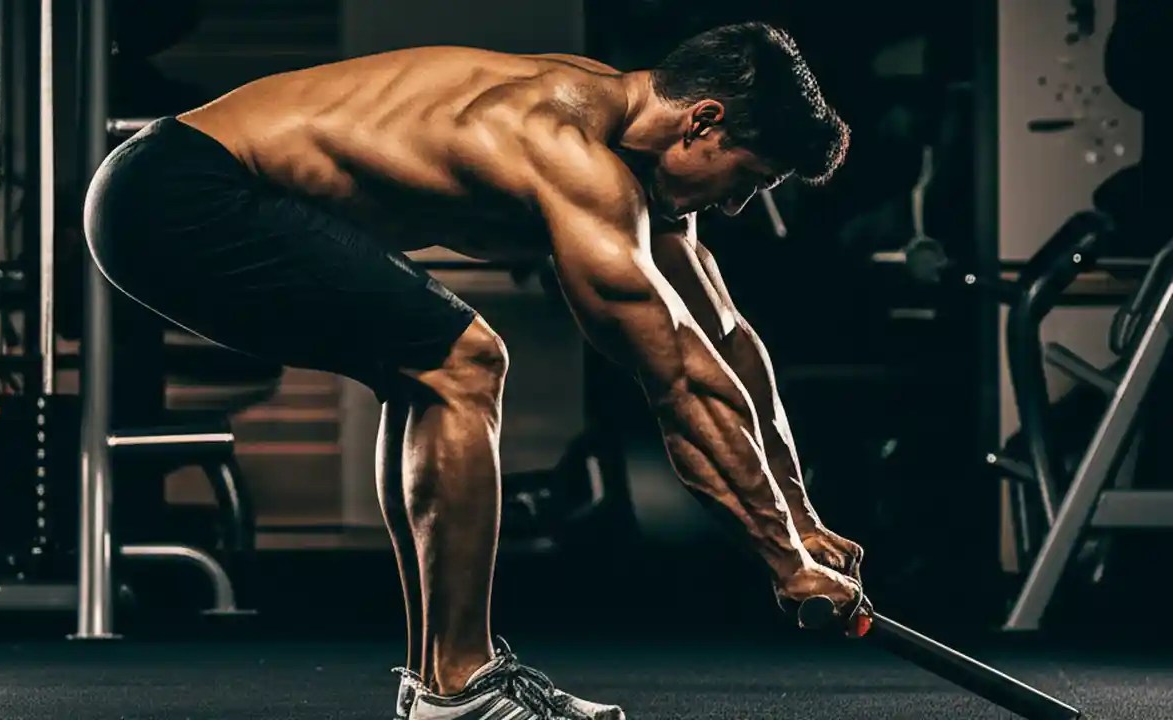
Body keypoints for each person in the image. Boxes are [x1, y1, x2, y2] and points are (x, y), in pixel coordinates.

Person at [83, 21, 868, 720]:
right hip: (181, 194)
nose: (734, 208)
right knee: (465, 359)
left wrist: (800, 520)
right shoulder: (564, 147)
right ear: (704, 122)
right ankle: (462, 685)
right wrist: (782, 562)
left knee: (432, 365)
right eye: (749, 181)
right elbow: (676, 380)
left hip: (177, 186)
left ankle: (440, 687)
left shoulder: (631, 153)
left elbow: (727, 342)